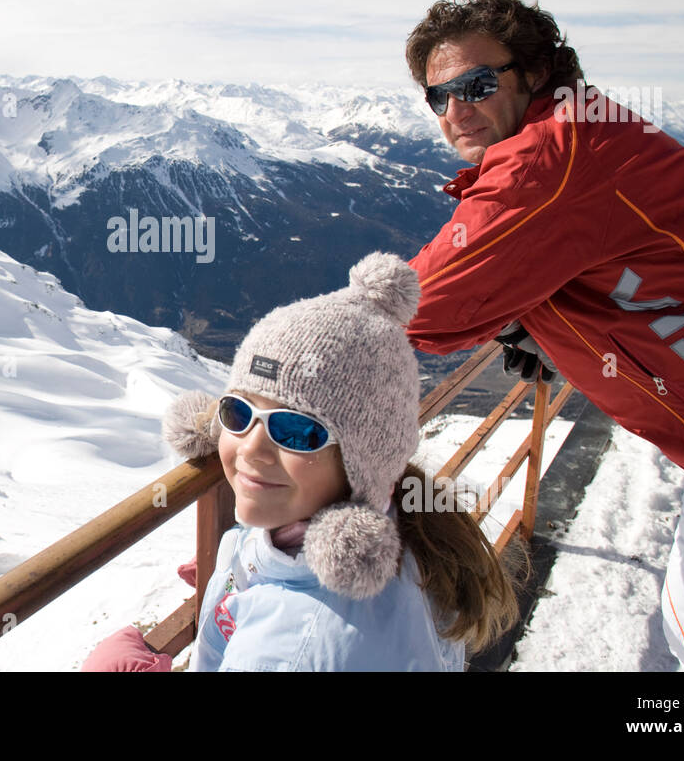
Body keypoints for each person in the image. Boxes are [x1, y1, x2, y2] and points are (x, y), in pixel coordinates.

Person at [401, 0, 684, 671]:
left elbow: (423, 307)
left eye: (475, 84)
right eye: (436, 96)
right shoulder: (581, 133)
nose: (455, 110)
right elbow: (593, 250)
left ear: (534, 73)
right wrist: (544, 315)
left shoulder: (552, 153)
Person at [80, 252, 518, 671]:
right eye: (238, 411)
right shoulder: (409, 530)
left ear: (363, 462)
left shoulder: (288, 651)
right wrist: (245, 573)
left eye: (295, 430)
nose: (251, 448)